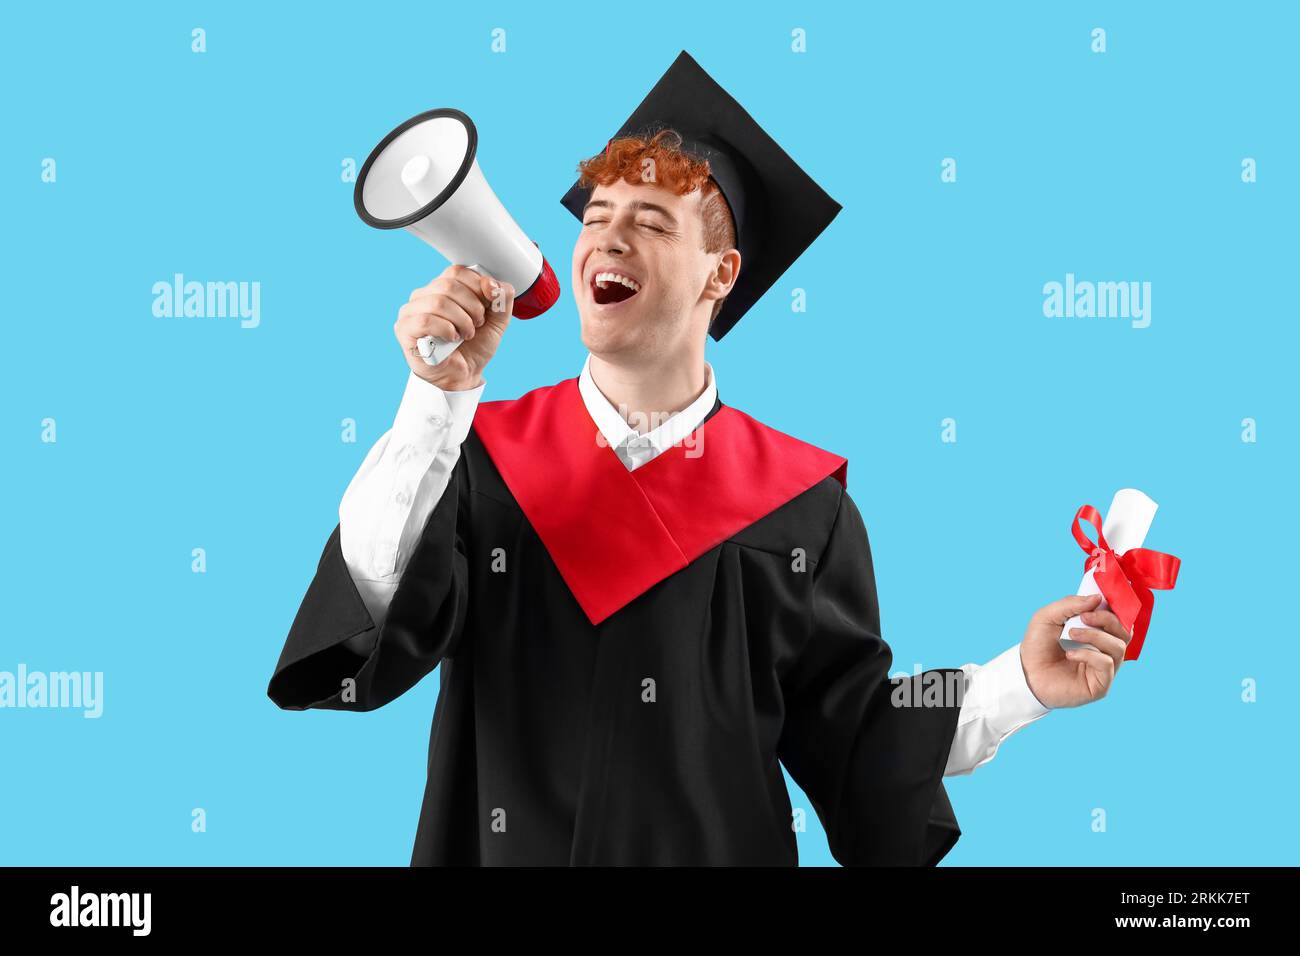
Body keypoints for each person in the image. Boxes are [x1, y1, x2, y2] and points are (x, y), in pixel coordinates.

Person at [267, 51, 1133, 866]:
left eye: (650, 222)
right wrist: (436, 398)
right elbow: (372, 621)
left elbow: (861, 728)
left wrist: (1019, 682)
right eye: (596, 217)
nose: (607, 238)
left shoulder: (800, 504)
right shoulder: (478, 457)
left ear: (722, 275)